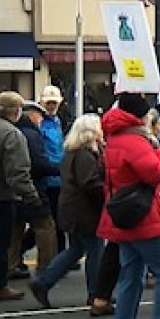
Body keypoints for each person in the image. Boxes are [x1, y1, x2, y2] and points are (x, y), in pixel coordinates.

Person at [99, 93, 160, 319]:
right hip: (145, 216)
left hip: (126, 216)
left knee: (131, 275)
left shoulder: (114, 138)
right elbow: (157, 172)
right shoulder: (135, 141)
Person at [29, 115, 106, 308]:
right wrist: (106, 198)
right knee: (95, 250)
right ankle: (95, 293)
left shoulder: (72, 153)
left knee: (76, 249)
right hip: (85, 211)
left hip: (72, 209)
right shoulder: (85, 155)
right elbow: (90, 184)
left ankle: (44, 282)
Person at [0, 92, 46, 301]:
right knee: (0, 241)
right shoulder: (12, 134)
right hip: (2, 194)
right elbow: (18, 173)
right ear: (17, 111)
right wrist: (32, 197)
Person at [10, 101, 59, 277]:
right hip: (33, 187)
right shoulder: (31, 134)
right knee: (45, 227)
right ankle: (47, 268)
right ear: (32, 115)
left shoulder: (14, 131)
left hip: (13, 189)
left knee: (15, 229)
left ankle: (11, 266)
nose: (41, 121)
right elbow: (38, 164)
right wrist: (59, 169)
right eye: (40, 116)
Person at [38, 86, 68, 260]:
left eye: (54, 103)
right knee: (48, 221)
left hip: (57, 176)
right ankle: (60, 256)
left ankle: (61, 255)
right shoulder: (42, 123)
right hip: (49, 176)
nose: (51, 106)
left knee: (55, 220)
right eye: (49, 103)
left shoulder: (57, 121)